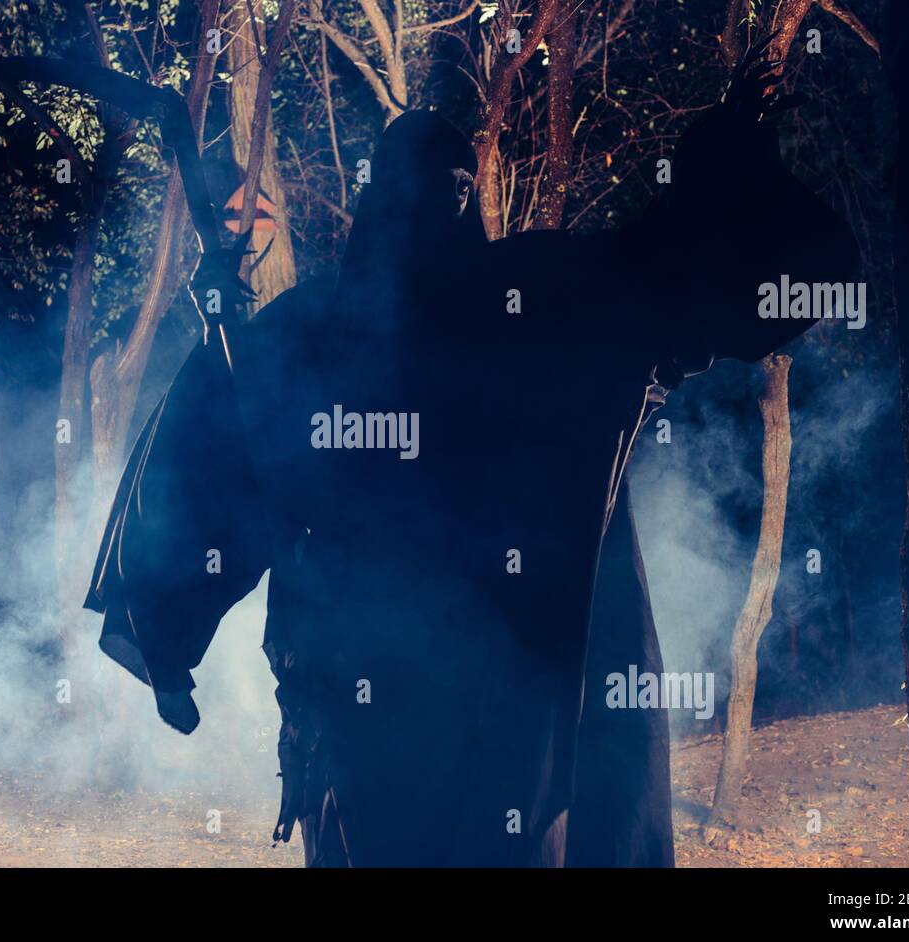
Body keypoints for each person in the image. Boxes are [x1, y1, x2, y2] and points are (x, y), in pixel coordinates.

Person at [85, 42, 857, 865]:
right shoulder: (502, 304)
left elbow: (208, 459)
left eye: (452, 188)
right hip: (395, 719)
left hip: (490, 721)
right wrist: (725, 150)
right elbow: (216, 454)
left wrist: (164, 641)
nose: (436, 207)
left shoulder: (329, 332)